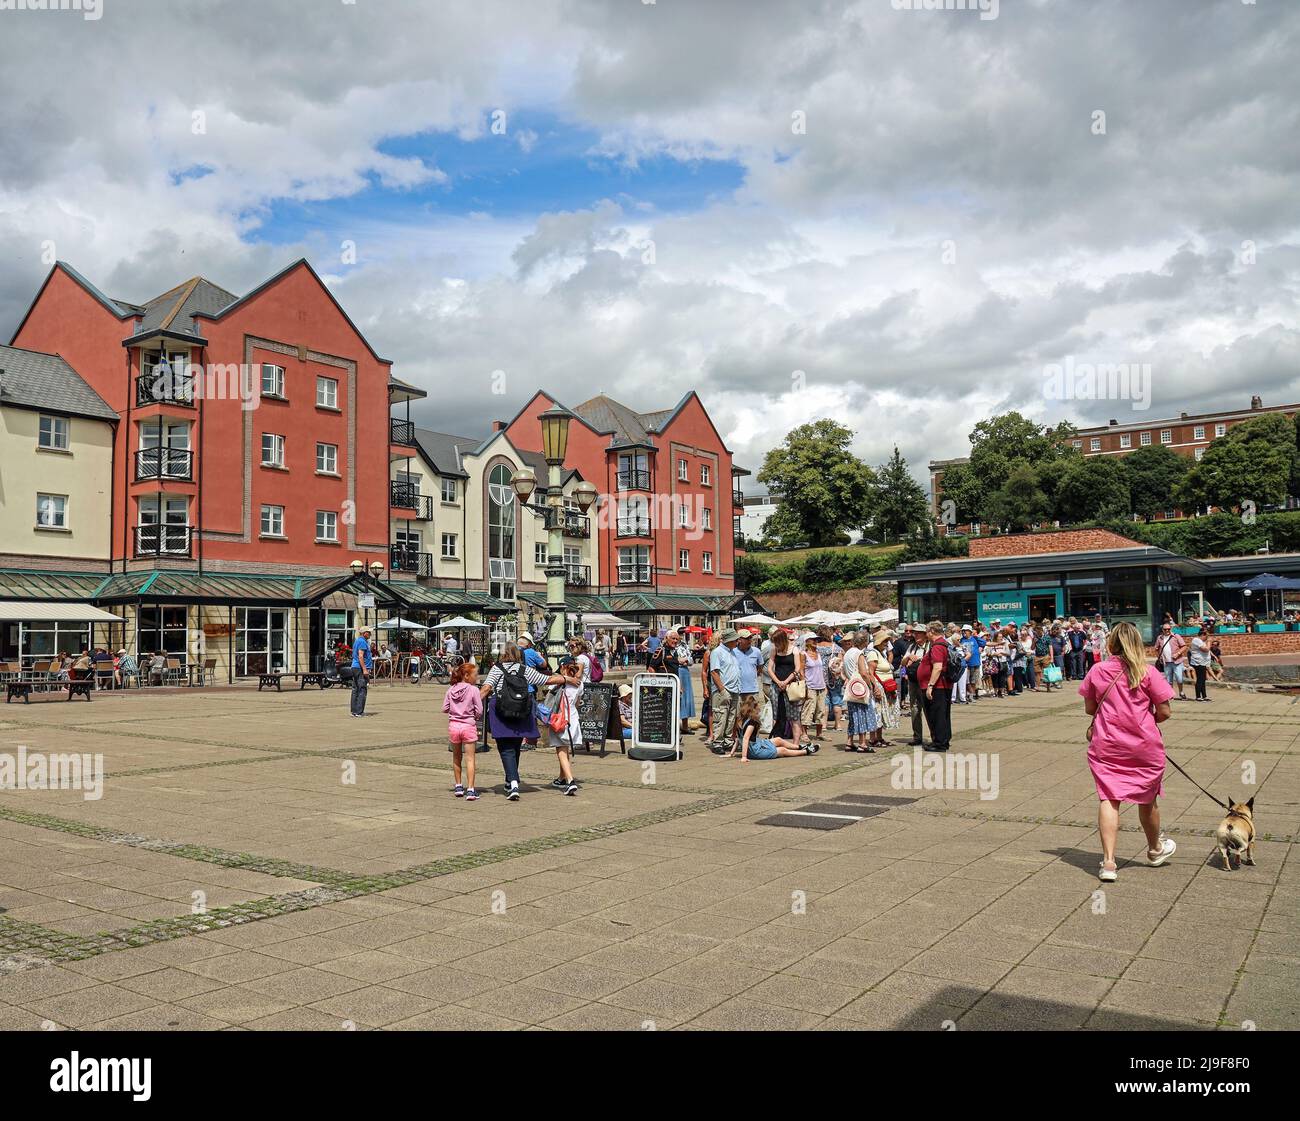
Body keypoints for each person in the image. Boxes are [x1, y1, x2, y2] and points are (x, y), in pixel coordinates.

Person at [1079, 621, 1176, 882]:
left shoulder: (1098, 671)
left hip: (1107, 743)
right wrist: (1145, 719)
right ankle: (1155, 849)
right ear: (1136, 643)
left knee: (1109, 798)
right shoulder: (1148, 672)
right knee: (1147, 798)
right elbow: (1165, 711)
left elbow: (1090, 708)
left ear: (1111, 644)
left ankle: (1109, 863)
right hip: (1144, 746)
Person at [480, 643, 564, 800]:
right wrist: (566, 678)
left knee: (505, 748)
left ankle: (513, 784)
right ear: (518, 655)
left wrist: (471, 704)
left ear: (502, 654)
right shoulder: (524, 669)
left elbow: (486, 689)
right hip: (521, 710)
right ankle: (510, 781)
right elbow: (547, 680)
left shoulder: (497, 669)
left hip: (501, 711)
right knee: (515, 746)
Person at [731, 694, 818, 762]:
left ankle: (799, 747)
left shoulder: (740, 720)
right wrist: (744, 757)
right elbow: (745, 738)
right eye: (758, 706)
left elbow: (738, 739)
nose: (759, 708)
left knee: (778, 740)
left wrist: (732, 753)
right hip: (755, 751)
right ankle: (806, 751)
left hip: (756, 745)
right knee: (782, 750)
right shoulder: (751, 722)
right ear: (754, 708)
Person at [442, 662, 484, 800]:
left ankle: (458, 786)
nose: (476, 678)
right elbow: (479, 710)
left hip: (454, 726)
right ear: (466, 676)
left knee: (456, 757)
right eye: (475, 675)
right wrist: (473, 715)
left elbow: (445, 708)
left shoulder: (451, 689)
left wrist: (455, 710)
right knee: (470, 759)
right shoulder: (473, 690)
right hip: (468, 725)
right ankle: (471, 789)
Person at [543, 661, 585, 794]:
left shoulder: (558, 683)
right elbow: (577, 702)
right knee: (565, 748)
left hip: (559, 720)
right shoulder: (579, 684)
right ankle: (561, 778)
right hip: (572, 718)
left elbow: (549, 700)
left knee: (561, 750)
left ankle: (570, 780)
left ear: (563, 668)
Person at [918, 620, 952, 752]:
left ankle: (939, 743)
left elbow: (937, 667)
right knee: (942, 714)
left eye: (926, 631)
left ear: (931, 631)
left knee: (936, 715)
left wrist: (930, 686)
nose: (926, 634)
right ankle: (942, 740)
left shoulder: (937, 646)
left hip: (937, 687)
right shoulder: (943, 644)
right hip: (942, 686)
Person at [708, 629, 742, 755]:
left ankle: (728, 740)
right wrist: (722, 690)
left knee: (732, 717)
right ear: (729, 640)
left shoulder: (732, 652)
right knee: (721, 716)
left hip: (734, 689)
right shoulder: (717, 652)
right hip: (723, 689)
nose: (737, 642)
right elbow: (714, 672)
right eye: (735, 640)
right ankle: (717, 742)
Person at [767, 628, 804, 745]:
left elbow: (797, 668)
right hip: (776, 686)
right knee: (776, 714)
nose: (776, 645)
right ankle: (777, 741)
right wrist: (778, 682)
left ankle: (795, 743)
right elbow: (769, 668)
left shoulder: (794, 650)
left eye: (777, 642)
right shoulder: (774, 650)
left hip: (791, 686)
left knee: (794, 716)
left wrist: (786, 681)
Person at [901, 623, 928, 744]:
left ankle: (935, 736)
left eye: (918, 633)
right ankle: (917, 737)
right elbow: (902, 662)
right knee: (915, 709)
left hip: (926, 682)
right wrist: (908, 658)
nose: (915, 635)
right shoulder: (912, 647)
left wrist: (919, 660)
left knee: (929, 709)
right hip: (913, 681)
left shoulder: (930, 646)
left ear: (925, 634)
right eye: (914, 633)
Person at [801, 635, 829, 744]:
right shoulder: (803, 654)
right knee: (809, 709)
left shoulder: (818, 654)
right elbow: (801, 670)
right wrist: (805, 685)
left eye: (816, 640)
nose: (815, 642)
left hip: (821, 685)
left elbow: (821, 670)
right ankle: (804, 734)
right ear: (806, 641)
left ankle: (819, 733)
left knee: (821, 710)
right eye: (813, 640)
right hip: (810, 686)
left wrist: (825, 684)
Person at [1154, 622, 1188, 701]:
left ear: (1170, 629)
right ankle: (1171, 694)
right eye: (1165, 629)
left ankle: (1181, 692)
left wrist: (1178, 653)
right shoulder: (1160, 638)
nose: (1167, 631)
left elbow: (1184, 646)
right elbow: (1156, 648)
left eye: (1168, 629)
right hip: (1167, 662)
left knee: (1179, 678)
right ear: (1162, 630)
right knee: (1168, 680)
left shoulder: (1176, 636)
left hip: (1177, 661)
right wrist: (1159, 658)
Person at [350, 627, 373, 717]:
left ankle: (354, 711)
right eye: (369, 632)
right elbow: (360, 656)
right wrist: (364, 669)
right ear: (364, 633)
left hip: (355, 667)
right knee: (362, 689)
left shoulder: (357, 641)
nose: (370, 634)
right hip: (359, 668)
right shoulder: (362, 642)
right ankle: (359, 712)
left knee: (355, 689)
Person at [1189, 626, 1212, 702]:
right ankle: (1198, 696)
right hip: (1198, 662)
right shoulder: (1196, 640)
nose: (1207, 638)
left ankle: (1204, 696)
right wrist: (1209, 642)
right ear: (1203, 635)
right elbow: (1206, 649)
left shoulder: (1201, 641)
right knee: (1200, 679)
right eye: (1207, 636)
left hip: (1203, 662)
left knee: (1203, 679)